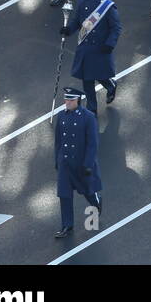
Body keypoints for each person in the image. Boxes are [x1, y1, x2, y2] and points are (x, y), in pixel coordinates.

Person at [65, 0, 119, 115]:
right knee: (87, 80)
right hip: (85, 47)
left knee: (100, 75)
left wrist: (110, 44)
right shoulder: (82, 1)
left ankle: (111, 85)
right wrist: (68, 30)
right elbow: (77, 21)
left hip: (100, 47)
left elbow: (115, 28)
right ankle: (92, 109)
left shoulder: (107, 5)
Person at [53, 87, 102, 239]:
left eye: (70, 100)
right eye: (66, 99)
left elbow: (92, 143)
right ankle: (67, 225)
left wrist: (88, 164)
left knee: (87, 190)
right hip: (65, 163)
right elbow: (58, 141)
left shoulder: (88, 117)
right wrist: (57, 160)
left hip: (81, 163)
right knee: (64, 194)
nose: (67, 102)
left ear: (78, 101)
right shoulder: (61, 116)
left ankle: (95, 200)